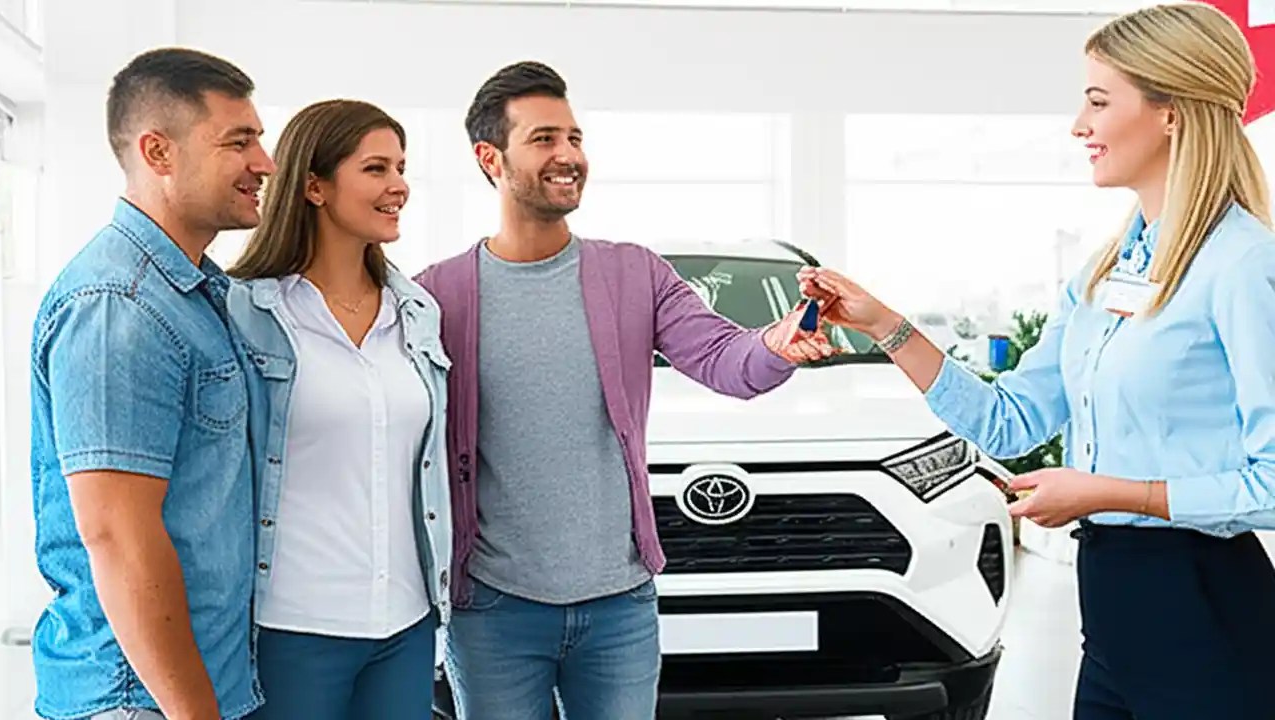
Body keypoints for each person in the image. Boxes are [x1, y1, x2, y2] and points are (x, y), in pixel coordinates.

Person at [801, 4, 1275, 719]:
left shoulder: (1243, 265)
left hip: (1204, 610)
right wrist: (887, 327)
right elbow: (1010, 421)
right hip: (1114, 616)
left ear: (1170, 111)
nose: (1079, 126)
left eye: (1097, 100)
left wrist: (1110, 493)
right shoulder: (1103, 271)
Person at [414, 60, 833, 720]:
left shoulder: (633, 273)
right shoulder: (439, 294)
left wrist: (775, 344)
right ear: (490, 158)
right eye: (545, 138)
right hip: (493, 608)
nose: (569, 156)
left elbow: (726, 358)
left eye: (575, 139)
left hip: (619, 606)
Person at [28, 48, 275, 720]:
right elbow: (117, 535)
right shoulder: (120, 306)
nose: (265, 163)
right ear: (158, 153)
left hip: (194, 691)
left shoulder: (195, 294)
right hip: (140, 702)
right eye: (239, 141)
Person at [226, 99, 452, 720]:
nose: (399, 186)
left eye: (401, 167)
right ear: (314, 185)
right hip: (292, 626)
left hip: (405, 624)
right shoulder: (247, 312)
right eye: (376, 169)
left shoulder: (417, 313)